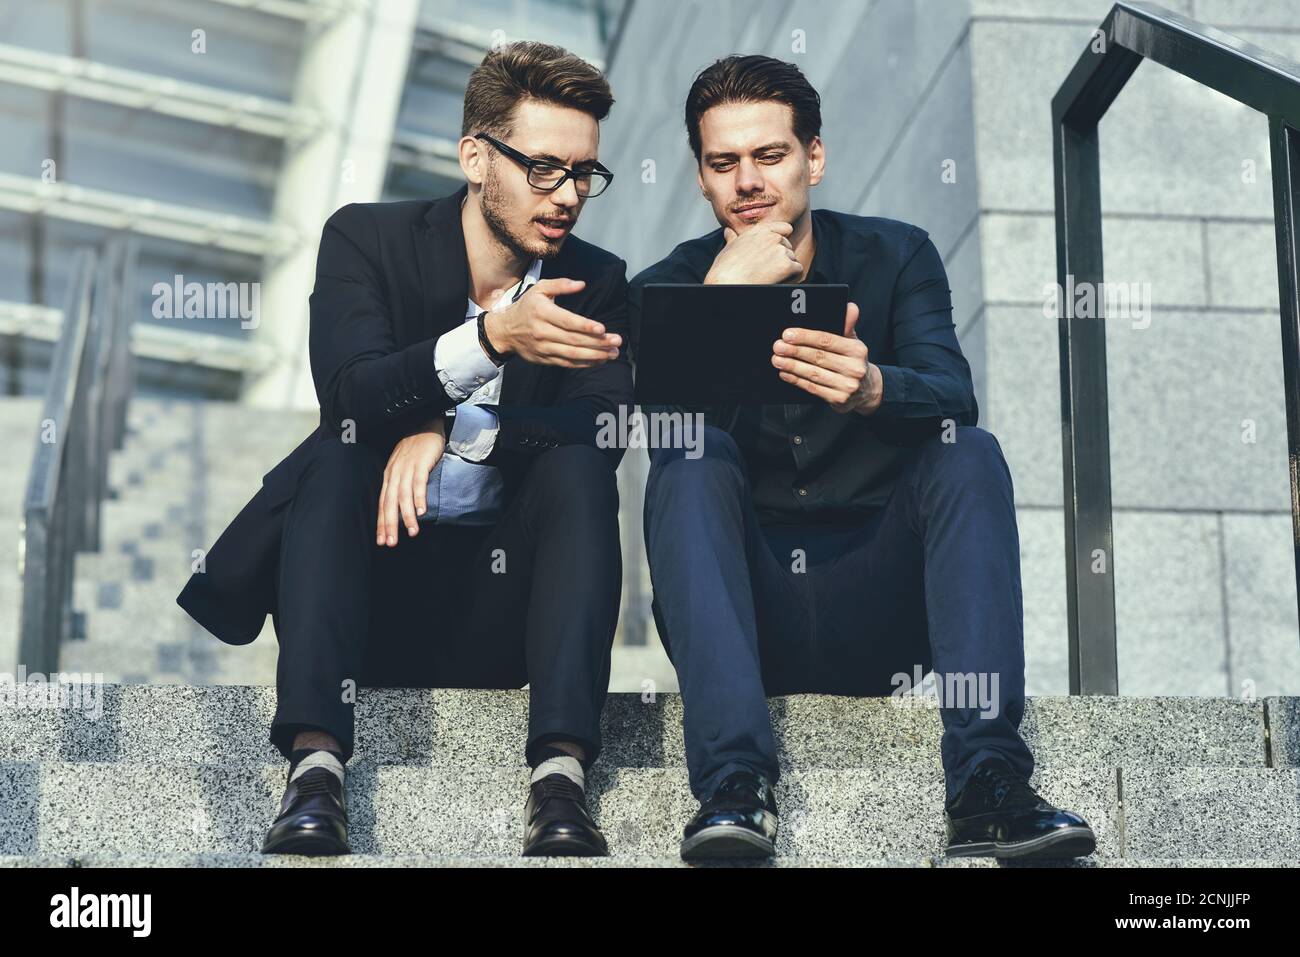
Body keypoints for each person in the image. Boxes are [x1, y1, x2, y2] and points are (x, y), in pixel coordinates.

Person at [631, 54, 1097, 862]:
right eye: (723, 163)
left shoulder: (898, 254)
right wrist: (719, 302)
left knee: (967, 453)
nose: (748, 181)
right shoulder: (670, 289)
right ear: (702, 179)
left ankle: (988, 780)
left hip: (885, 606)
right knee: (690, 452)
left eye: (769, 156)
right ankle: (734, 787)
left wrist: (874, 386)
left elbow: (953, 390)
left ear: (814, 156)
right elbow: (647, 420)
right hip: (751, 613)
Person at [177, 40, 631, 858]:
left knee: (579, 471)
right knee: (343, 447)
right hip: (369, 597)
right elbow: (349, 388)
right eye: (543, 170)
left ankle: (560, 778)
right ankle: (315, 769)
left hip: (507, 616)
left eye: (583, 174)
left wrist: (454, 426)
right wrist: (492, 339)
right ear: (474, 157)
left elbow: (604, 428)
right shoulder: (367, 240)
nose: (567, 196)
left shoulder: (597, 280)